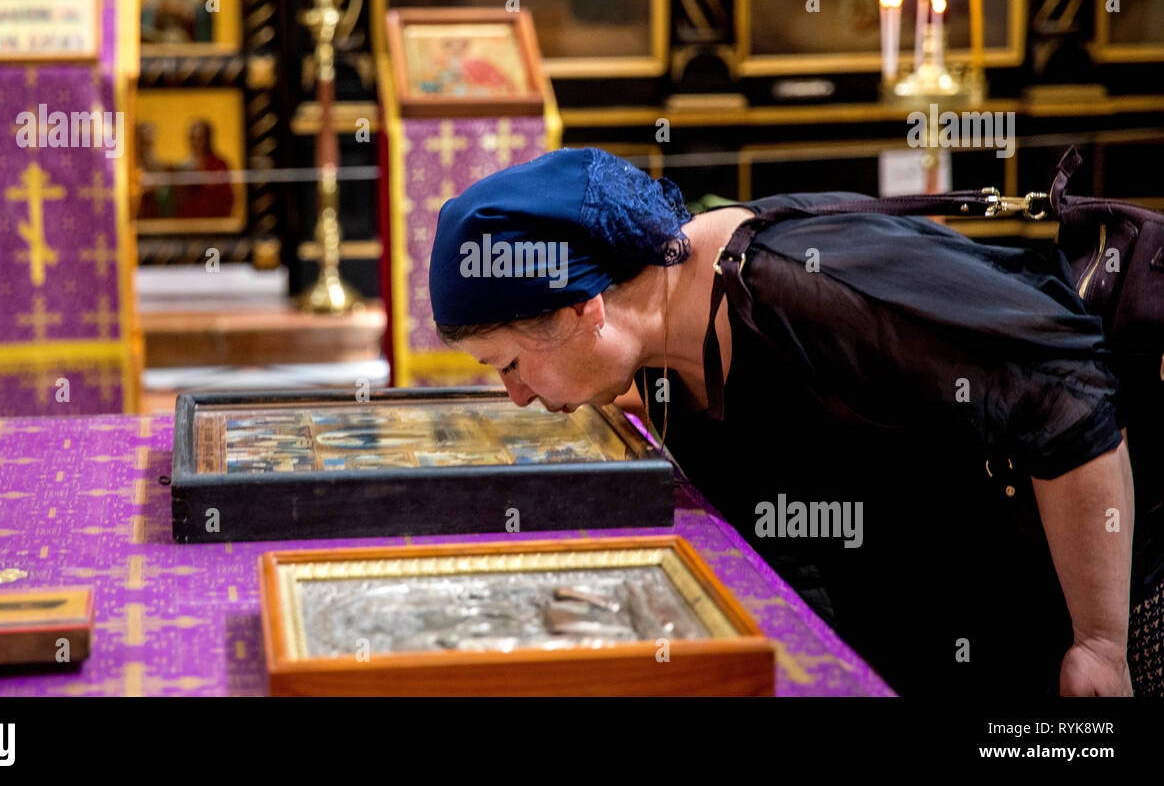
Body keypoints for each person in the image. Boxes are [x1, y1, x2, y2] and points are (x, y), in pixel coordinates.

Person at [429, 147, 1163, 696]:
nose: (515, 395)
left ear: (583, 311)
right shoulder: (658, 327)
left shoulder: (800, 290)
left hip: (1073, 617)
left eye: (507, 363)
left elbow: (1067, 389)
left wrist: (1099, 642)